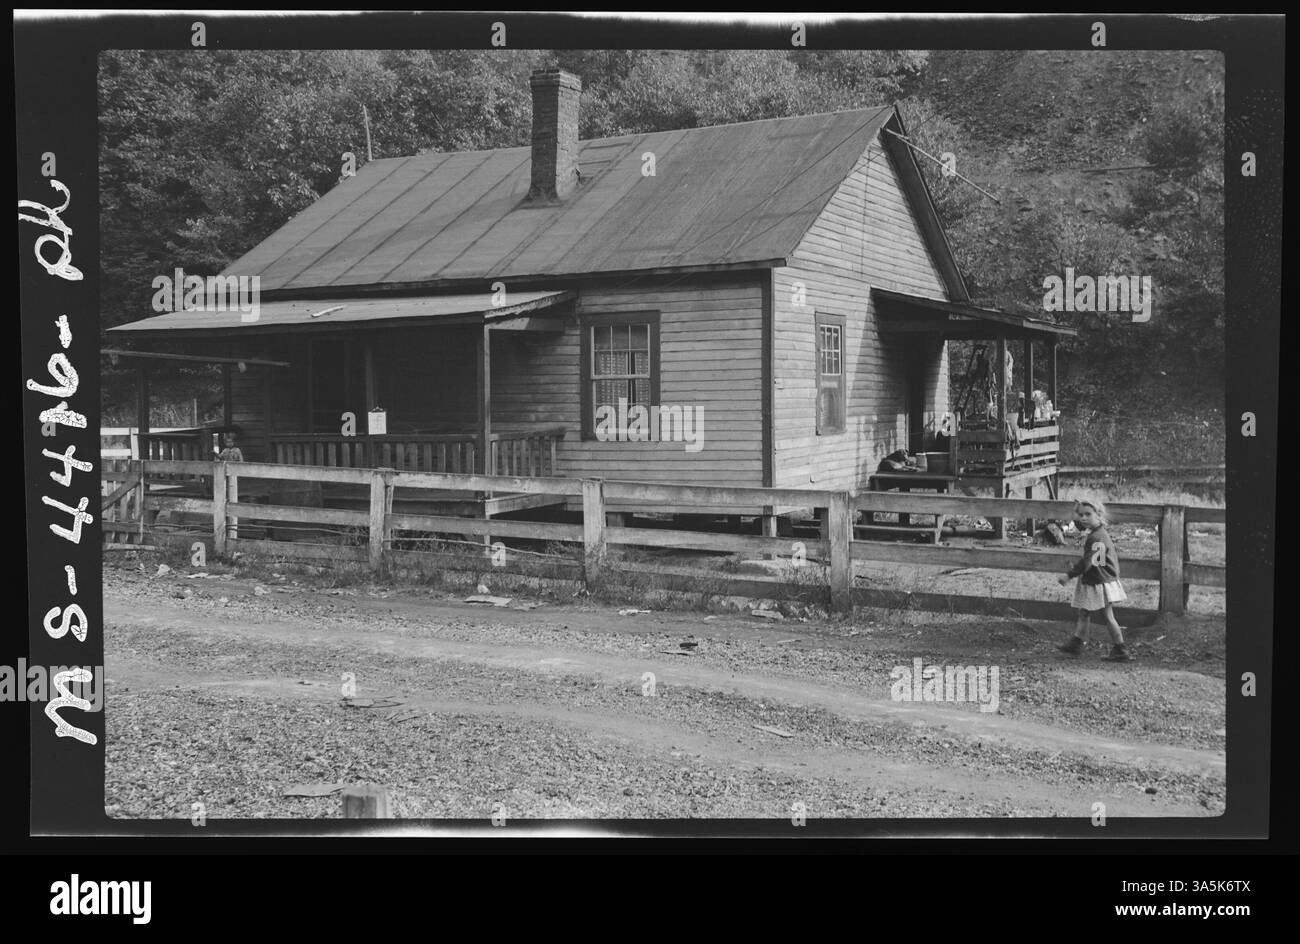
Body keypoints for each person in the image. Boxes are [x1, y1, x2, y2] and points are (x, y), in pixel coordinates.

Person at [1056, 498, 1130, 662]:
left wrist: (1069, 575)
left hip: (1099, 581)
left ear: (1098, 514)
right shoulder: (1099, 533)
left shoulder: (1096, 537)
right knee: (1084, 612)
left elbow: (1087, 563)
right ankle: (1076, 643)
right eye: (1080, 515)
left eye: (1088, 514)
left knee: (1107, 615)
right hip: (1097, 580)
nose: (1083, 518)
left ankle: (1120, 648)